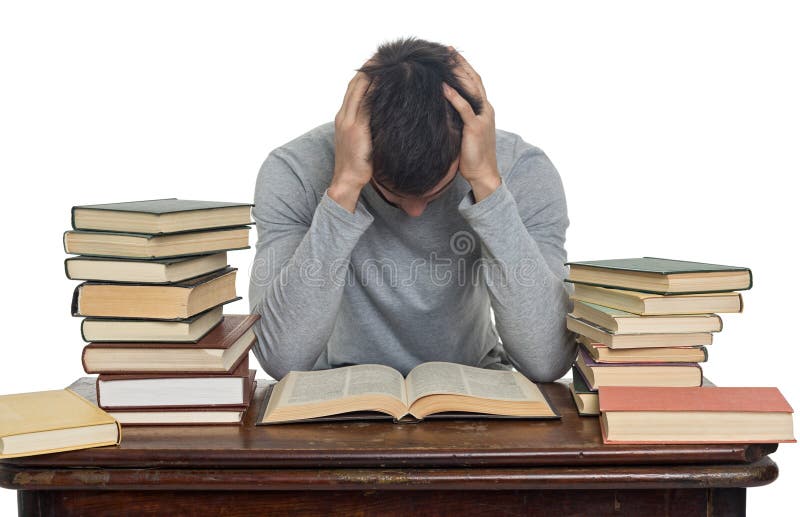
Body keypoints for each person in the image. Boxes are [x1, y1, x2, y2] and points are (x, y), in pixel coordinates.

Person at [248, 37, 577, 382]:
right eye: (391, 193)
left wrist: (488, 188)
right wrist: (343, 189)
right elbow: (281, 358)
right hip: (331, 393)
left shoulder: (523, 170)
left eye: (435, 192)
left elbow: (547, 360)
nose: (415, 212)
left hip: (476, 391)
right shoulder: (294, 169)